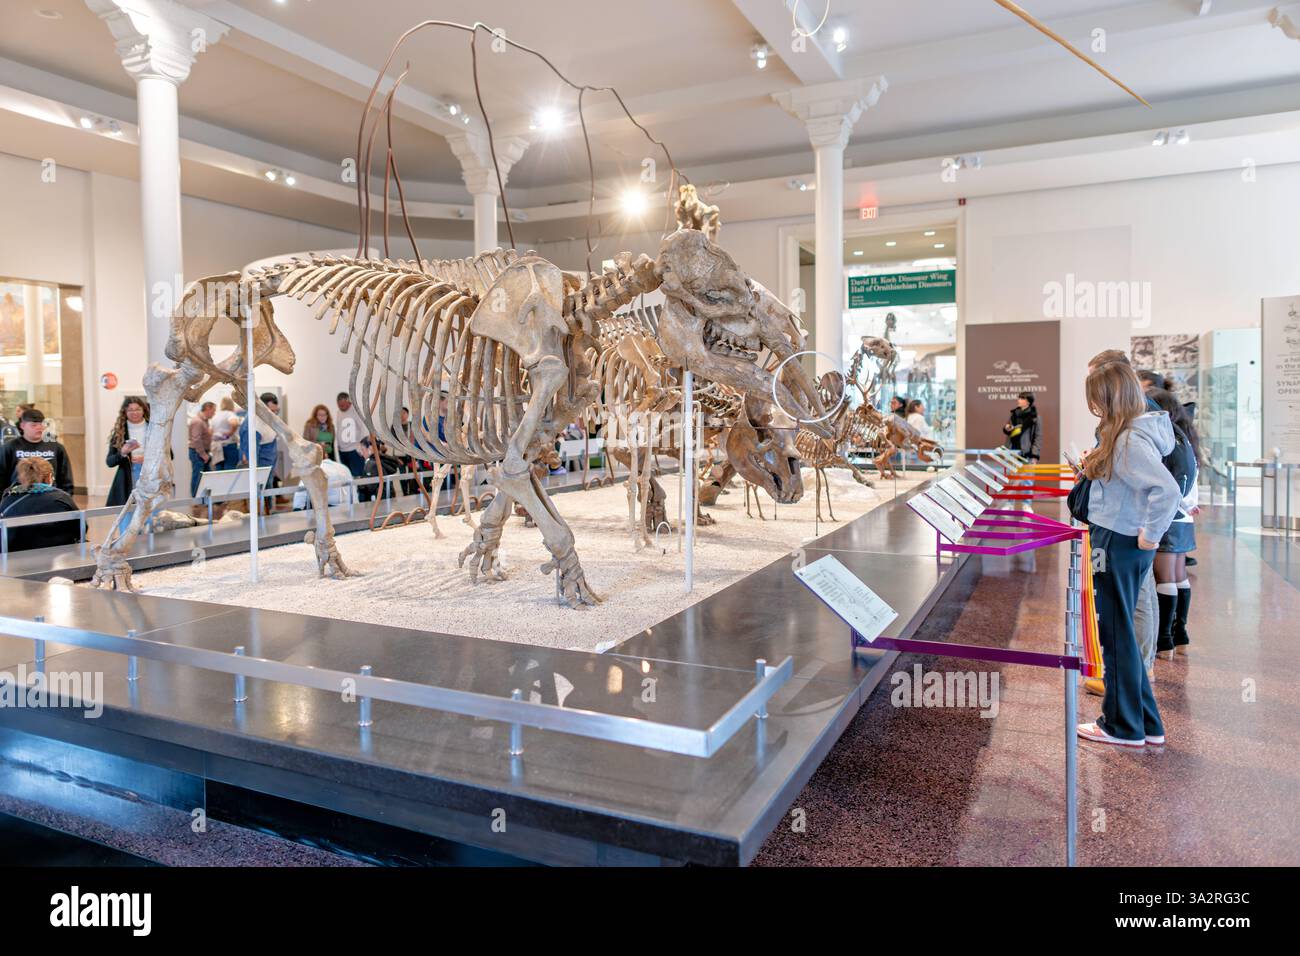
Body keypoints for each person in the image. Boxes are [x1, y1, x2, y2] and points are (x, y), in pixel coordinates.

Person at [1076, 362, 1180, 748]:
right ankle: (1147, 723)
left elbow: (1165, 491)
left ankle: (1120, 726)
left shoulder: (1129, 440)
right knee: (1119, 634)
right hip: (1119, 537)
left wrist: (1150, 537)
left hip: (1120, 542)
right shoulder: (1128, 434)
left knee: (1116, 635)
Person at [1148, 387, 1200, 658]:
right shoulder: (1184, 437)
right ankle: (1180, 635)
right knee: (1179, 577)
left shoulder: (1166, 438)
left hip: (1169, 517)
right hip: (1185, 517)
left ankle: (1165, 640)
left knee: (1165, 578)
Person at [0, 457, 81, 552]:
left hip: (14, 554)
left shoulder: (8, 497)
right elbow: (81, 527)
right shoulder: (61, 498)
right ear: (49, 477)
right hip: (58, 553)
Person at [0, 408, 74, 495]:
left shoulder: (56, 447)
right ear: (22, 426)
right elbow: (1, 477)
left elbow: (65, 478)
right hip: (18, 497)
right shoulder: (9, 447)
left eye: (41, 424)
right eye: (34, 425)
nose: (39, 428)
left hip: (50, 497)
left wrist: (65, 498)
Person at [105, 395, 149, 507]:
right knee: (127, 518)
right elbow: (110, 462)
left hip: (150, 476)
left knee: (150, 516)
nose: (134, 413)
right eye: (130, 410)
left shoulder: (153, 428)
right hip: (127, 479)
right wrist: (123, 453)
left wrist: (146, 459)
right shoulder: (120, 432)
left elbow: (169, 455)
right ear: (125, 412)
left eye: (137, 409)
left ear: (144, 410)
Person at [239, 393, 281, 484]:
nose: (273, 414)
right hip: (260, 467)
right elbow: (251, 454)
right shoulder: (252, 423)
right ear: (262, 407)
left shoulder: (268, 417)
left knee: (268, 490)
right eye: (271, 411)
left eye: (275, 411)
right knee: (260, 491)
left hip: (269, 464)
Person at [187, 401, 216, 497]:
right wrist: (203, 454)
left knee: (205, 476)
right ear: (207, 408)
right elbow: (196, 439)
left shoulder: (204, 421)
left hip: (202, 452)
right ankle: (195, 498)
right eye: (213, 411)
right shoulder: (198, 422)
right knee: (198, 476)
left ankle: (203, 497)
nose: (214, 413)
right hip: (198, 453)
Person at [1001, 392, 1040, 461]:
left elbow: (1037, 438)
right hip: (1011, 450)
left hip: (1026, 453)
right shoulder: (1014, 414)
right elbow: (1007, 429)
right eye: (1019, 398)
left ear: (1028, 401)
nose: (1018, 400)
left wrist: (1034, 456)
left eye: (1022, 398)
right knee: (1011, 471)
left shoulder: (1035, 418)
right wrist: (1007, 428)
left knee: (1023, 472)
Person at [336, 392, 367, 476]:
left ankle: (357, 490)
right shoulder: (339, 412)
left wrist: (361, 446)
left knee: (357, 475)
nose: (340, 407)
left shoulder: (356, 411)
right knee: (346, 476)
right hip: (342, 451)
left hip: (354, 450)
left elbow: (363, 428)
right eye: (339, 405)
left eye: (342, 405)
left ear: (348, 402)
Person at [211, 396, 242, 471]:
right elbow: (234, 423)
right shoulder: (230, 414)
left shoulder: (216, 415)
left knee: (219, 471)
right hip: (229, 446)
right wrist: (230, 432)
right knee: (229, 471)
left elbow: (210, 431)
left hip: (217, 447)